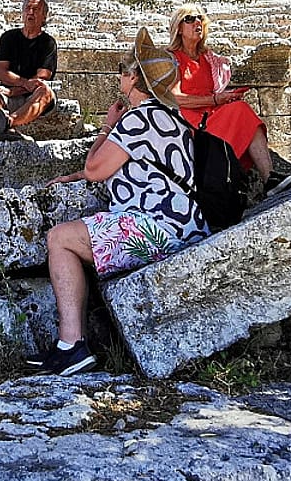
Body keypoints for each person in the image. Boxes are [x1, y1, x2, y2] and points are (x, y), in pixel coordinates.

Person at [34, 28, 208, 375]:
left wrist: (106, 128)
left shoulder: (138, 117)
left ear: (132, 78)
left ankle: (71, 345)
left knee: (61, 238)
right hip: (184, 223)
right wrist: (79, 175)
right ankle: (71, 345)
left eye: (122, 69)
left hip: (158, 227)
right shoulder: (170, 118)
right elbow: (134, 166)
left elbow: (96, 168)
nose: (119, 75)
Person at [167, 3, 273, 184]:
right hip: (189, 121)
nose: (197, 22)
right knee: (242, 111)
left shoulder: (208, 58)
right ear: (178, 29)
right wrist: (215, 99)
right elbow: (174, 98)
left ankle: (270, 177)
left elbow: (213, 91)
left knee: (246, 115)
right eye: (189, 19)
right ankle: (268, 178)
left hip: (211, 114)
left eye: (200, 18)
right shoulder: (171, 58)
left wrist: (225, 98)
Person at [0, 0, 57, 142]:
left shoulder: (48, 43)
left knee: (45, 92)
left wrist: (13, 90)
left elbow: (40, 79)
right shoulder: (8, 38)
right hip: (10, 94)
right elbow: (2, 72)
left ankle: (7, 122)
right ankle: (5, 126)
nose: (30, 12)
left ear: (44, 17)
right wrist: (20, 85)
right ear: (22, 14)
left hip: (33, 95)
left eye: (36, 10)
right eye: (28, 8)